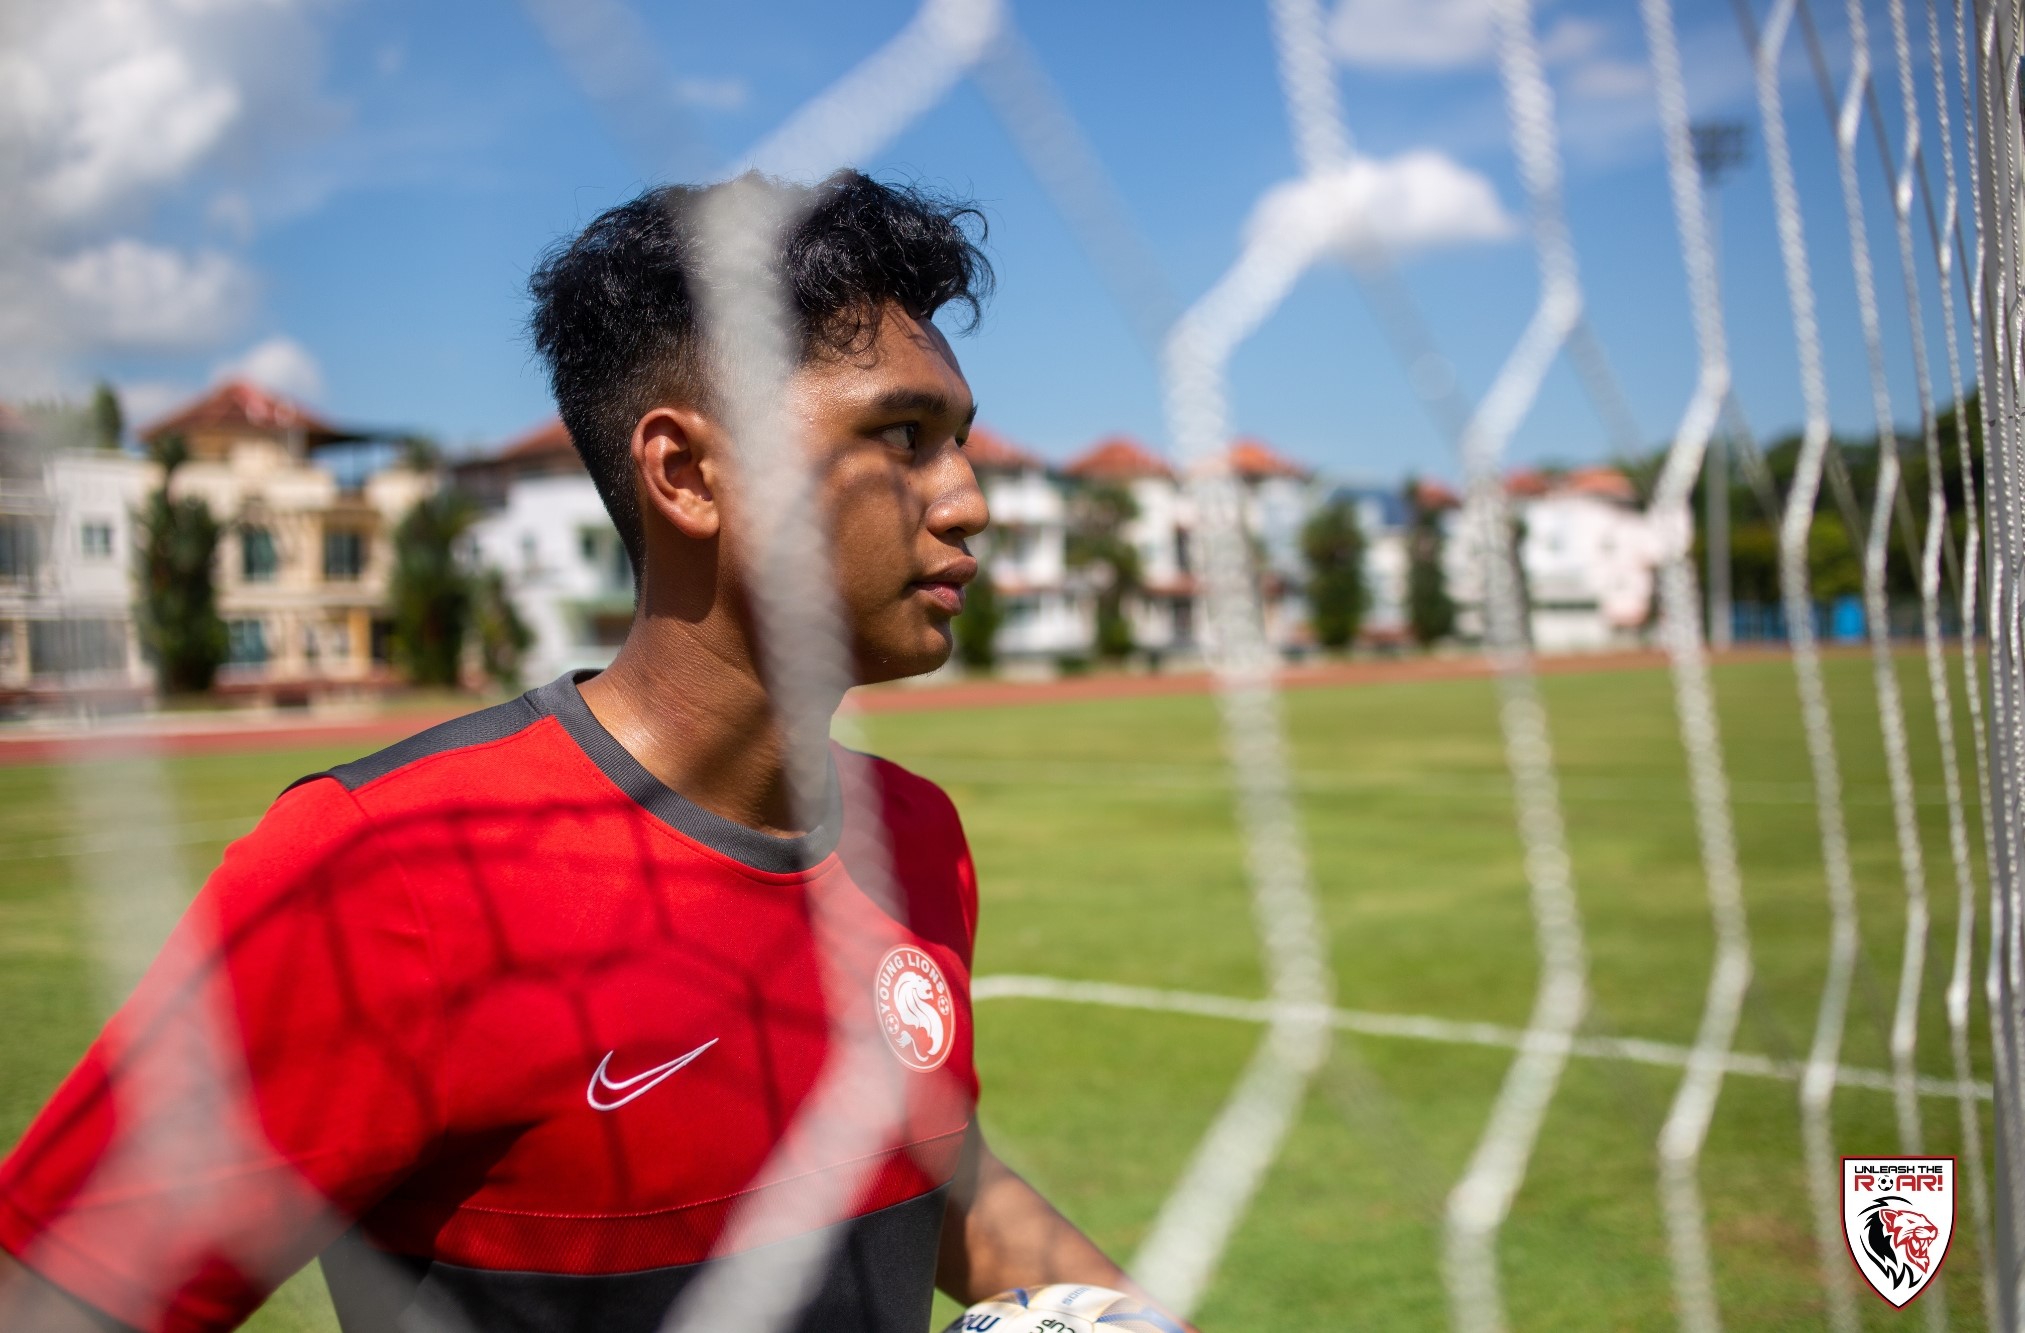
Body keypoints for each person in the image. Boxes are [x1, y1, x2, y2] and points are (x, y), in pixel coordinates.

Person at [0, 172, 1183, 1332]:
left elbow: (927, 1173)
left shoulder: (915, 837)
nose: (969, 499)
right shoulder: (393, 870)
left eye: (959, 439)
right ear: (689, 473)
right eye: (904, 435)